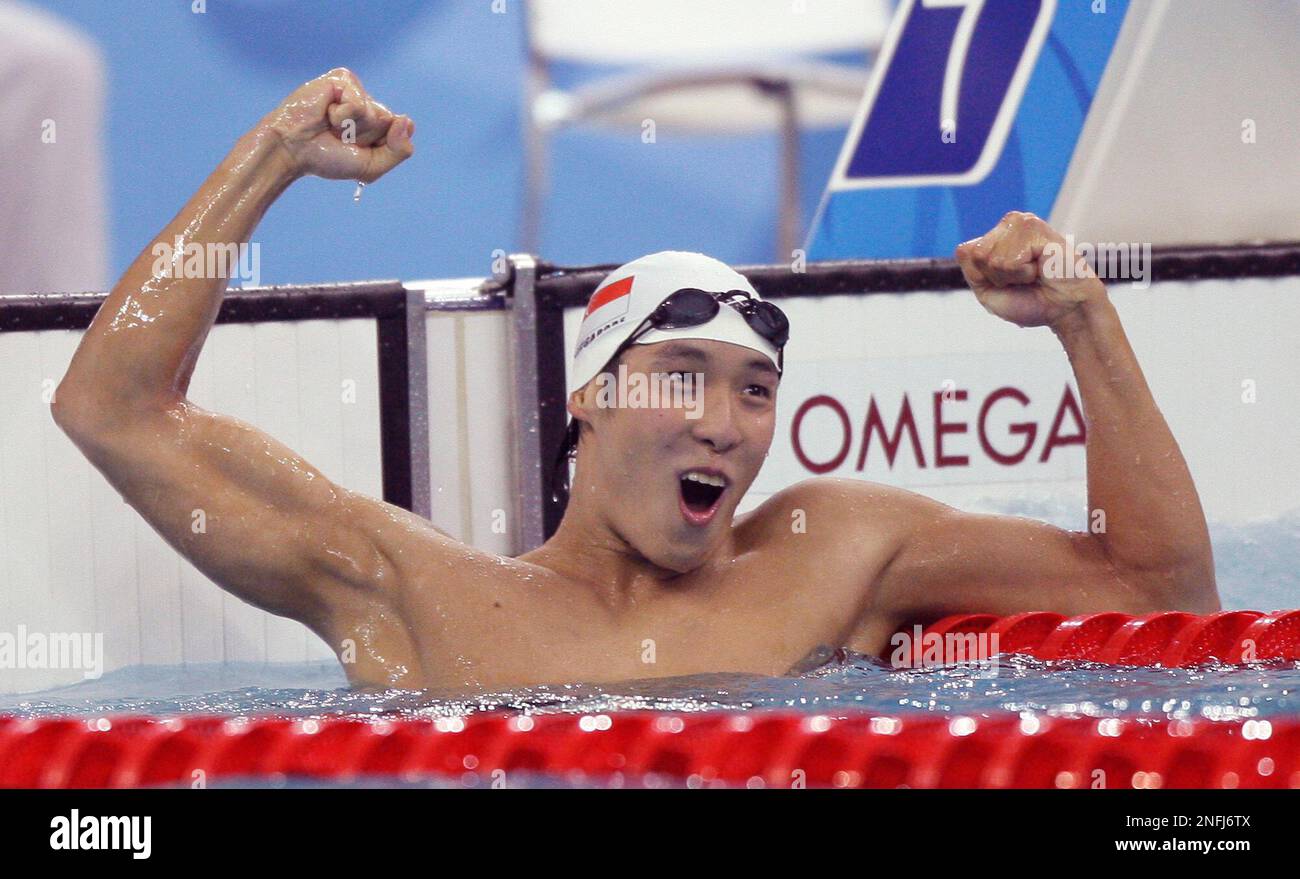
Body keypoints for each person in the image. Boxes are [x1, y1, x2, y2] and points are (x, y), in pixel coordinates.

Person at [52, 69, 1219, 691]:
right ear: (590, 398)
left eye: (754, 391)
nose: (721, 423)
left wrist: (1082, 319)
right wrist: (273, 155)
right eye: (679, 378)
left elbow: (1164, 599)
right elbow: (112, 409)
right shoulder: (416, 593)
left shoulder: (836, 551)